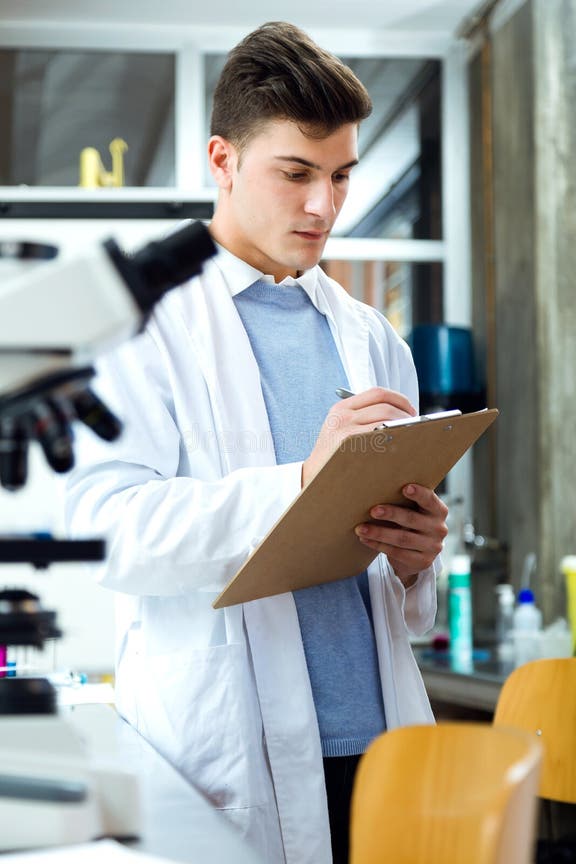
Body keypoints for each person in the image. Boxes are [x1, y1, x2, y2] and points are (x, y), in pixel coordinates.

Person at [65, 21, 448, 864]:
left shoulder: (372, 339)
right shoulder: (140, 325)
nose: (324, 205)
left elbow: (388, 574)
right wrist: (303, 480)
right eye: (296, 173)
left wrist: (418, 556)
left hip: (381, 748)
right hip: (230, 756)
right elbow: (108, 533)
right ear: (223, 160)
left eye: (343, 175)